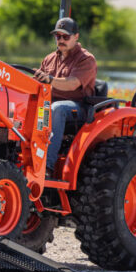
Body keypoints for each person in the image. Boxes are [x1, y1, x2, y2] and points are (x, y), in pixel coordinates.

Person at [33, 17, 97, 177]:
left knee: (56, 109)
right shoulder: (49, 59)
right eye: (58, 36)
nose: (61, 40)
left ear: (76, 37)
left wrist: (49, 79)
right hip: (49, 105)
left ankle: (46, 166)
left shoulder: (86, 59)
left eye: (65, 37)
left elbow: (72, 84)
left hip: (79, 107)